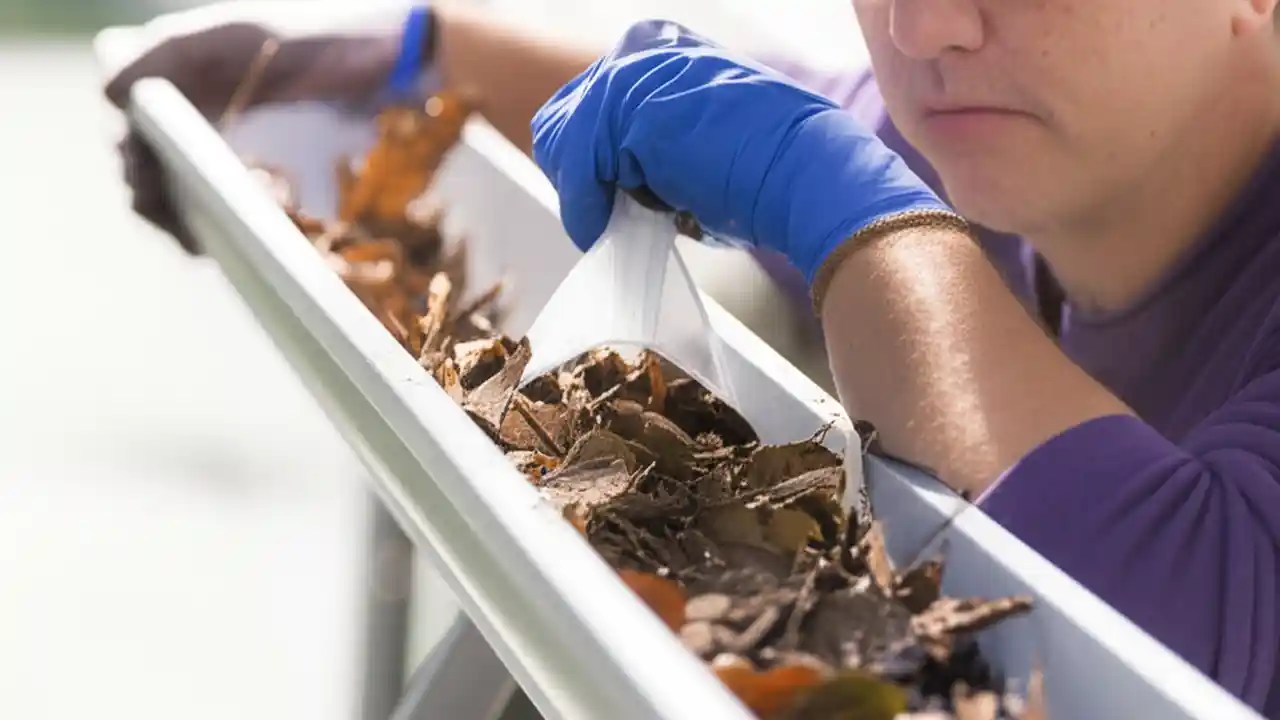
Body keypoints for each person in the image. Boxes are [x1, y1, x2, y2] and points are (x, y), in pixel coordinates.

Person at [104, 1, 1280, 715]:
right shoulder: (1018, 133)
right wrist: (404, 54)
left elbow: (1181, 652)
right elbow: (793, 110)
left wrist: (842, 210)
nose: (922, 28)